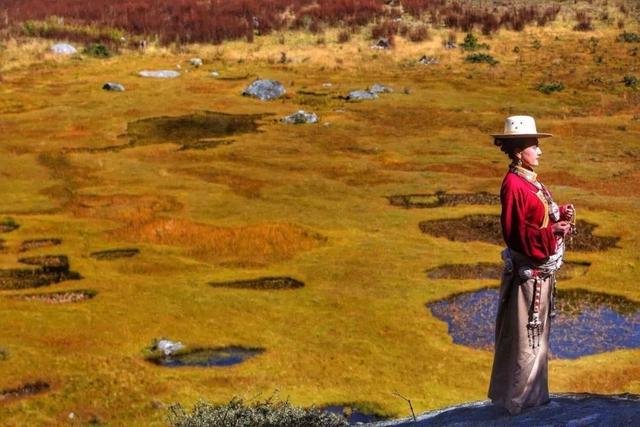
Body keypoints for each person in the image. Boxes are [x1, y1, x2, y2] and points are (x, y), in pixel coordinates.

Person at [487, 115, 575, 415]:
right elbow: (516, 234)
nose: (540, 152)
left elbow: (535, 220)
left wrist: (559, 214)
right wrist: (552, 232)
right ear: (518, 151)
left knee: (534, 336)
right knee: (528, 336)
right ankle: (522, 402)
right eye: (534, 146)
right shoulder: (513, 185)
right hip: (529, 277)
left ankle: (532, 397)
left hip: (539, 273)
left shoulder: (529, 180)